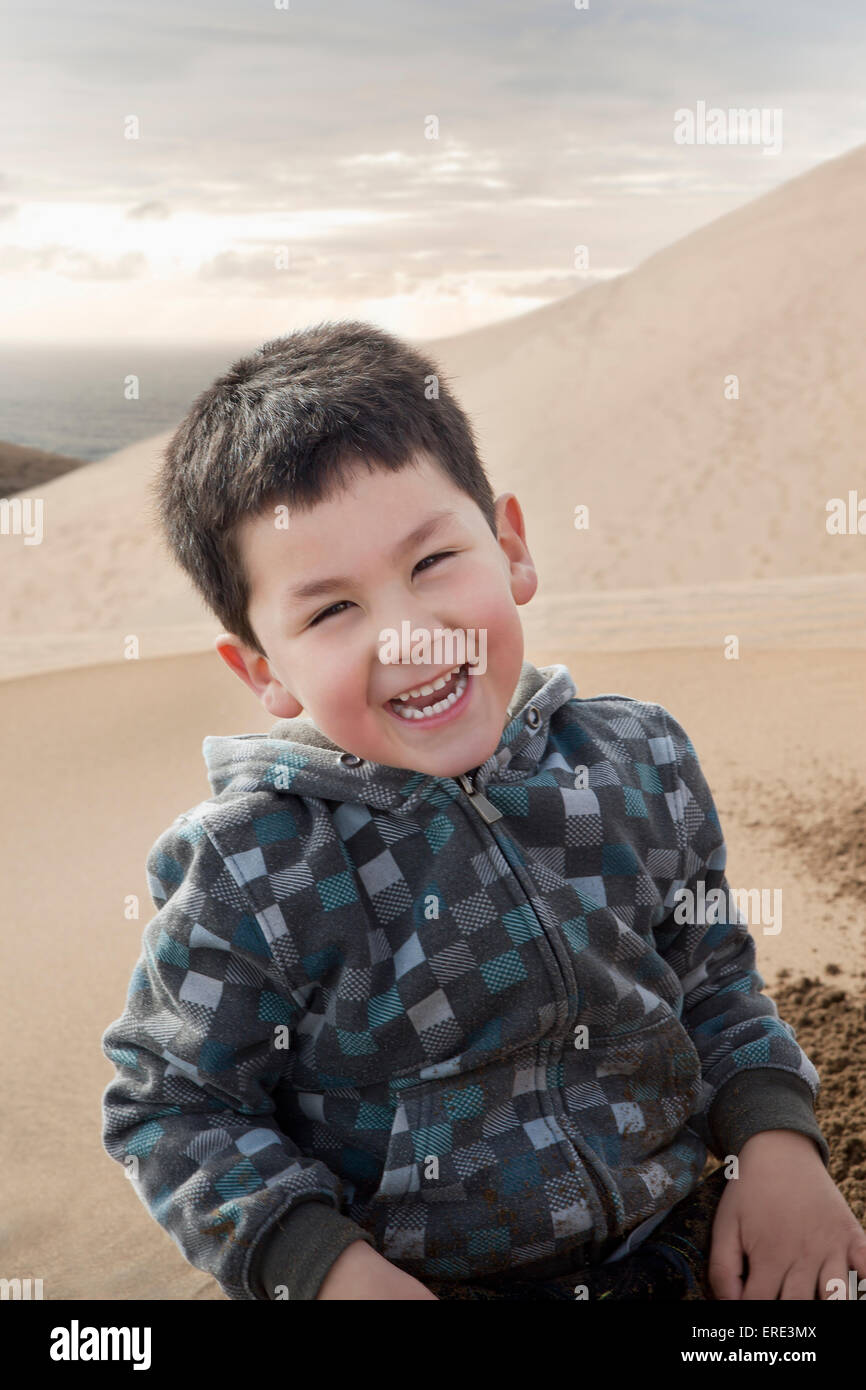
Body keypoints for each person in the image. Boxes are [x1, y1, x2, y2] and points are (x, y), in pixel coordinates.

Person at [101, 321, 865, 1302]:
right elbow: (172, 1106)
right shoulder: (251, 869)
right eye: (331, 611)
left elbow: (710, 980)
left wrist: (775, 1146)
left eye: (430, 562)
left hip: (680, 1241)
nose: (409, 636)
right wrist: (327, 1271)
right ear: (263, 671)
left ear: (509, 547)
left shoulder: (637, 759)